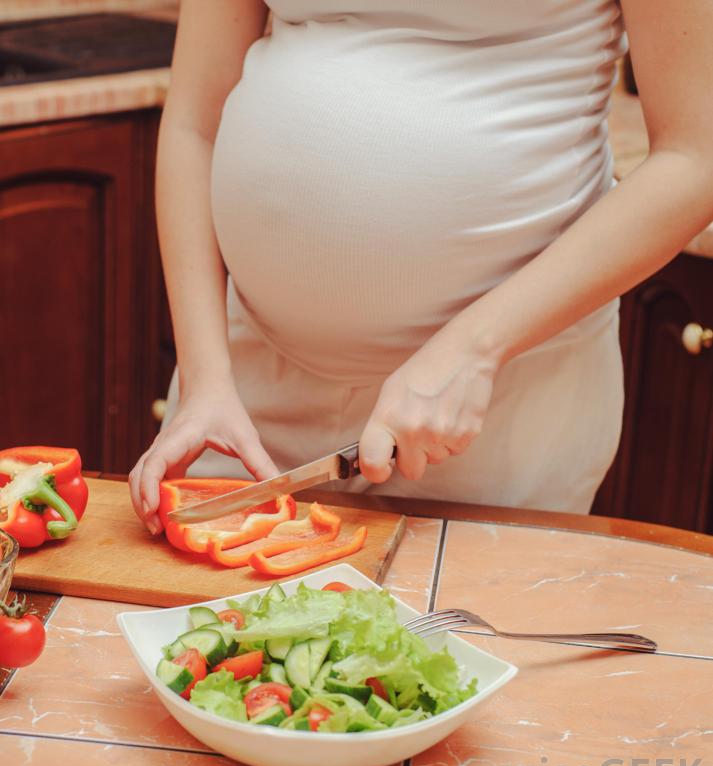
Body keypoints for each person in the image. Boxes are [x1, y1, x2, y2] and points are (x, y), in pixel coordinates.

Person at [129, 0, 713, 534]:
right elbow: (193, 122)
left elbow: (696, 157)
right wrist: (206, 379)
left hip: (492, 404)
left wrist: (474, 353)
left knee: (455, 644)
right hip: (244, 389)